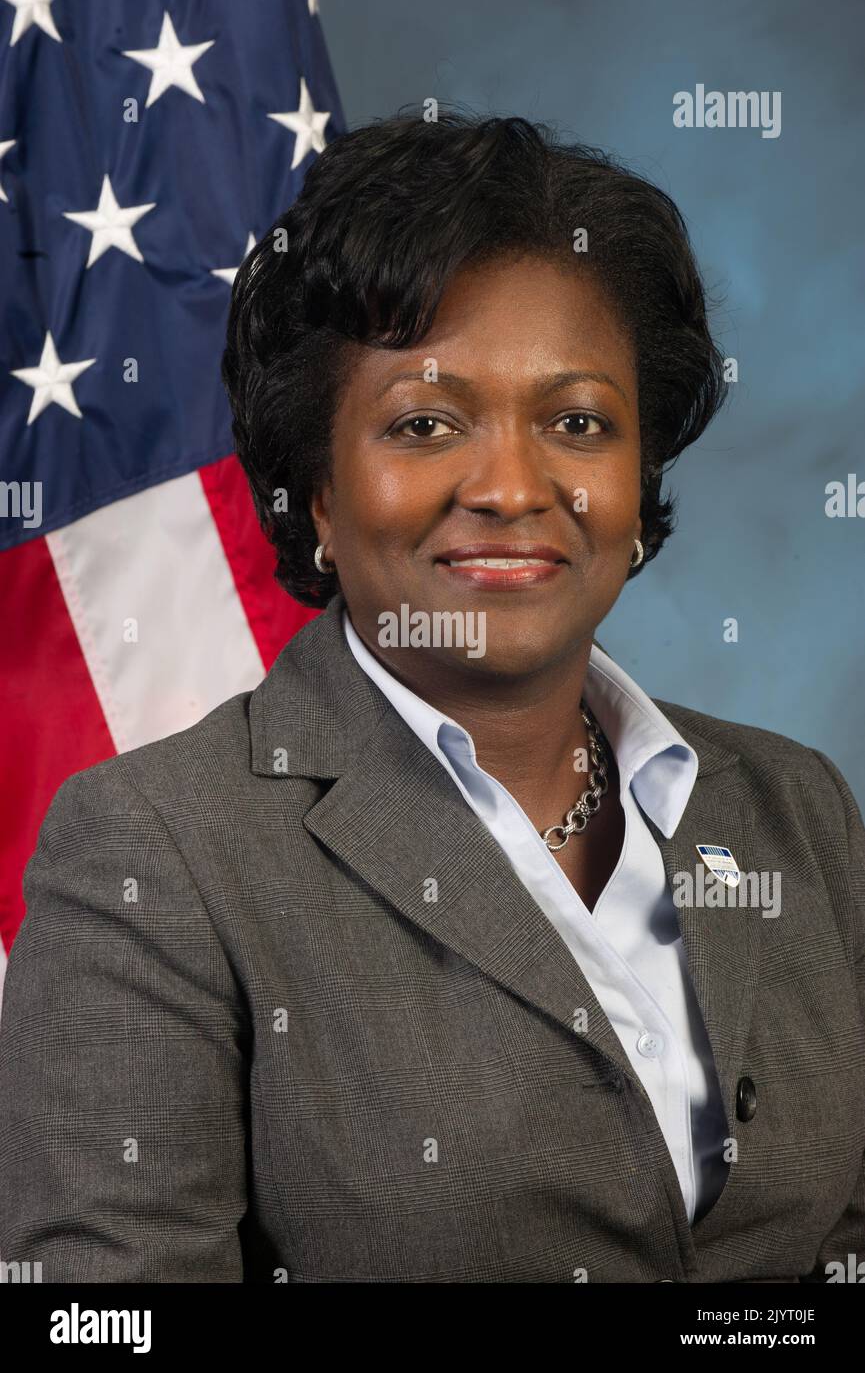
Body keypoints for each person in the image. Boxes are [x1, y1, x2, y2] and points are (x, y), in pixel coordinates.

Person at [1, 112, 863, 1284]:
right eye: (423, 423)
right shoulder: (157, 850)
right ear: (312, 486)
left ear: (637, 479)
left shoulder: (795, 808)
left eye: (576, 422)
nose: (512, 486)